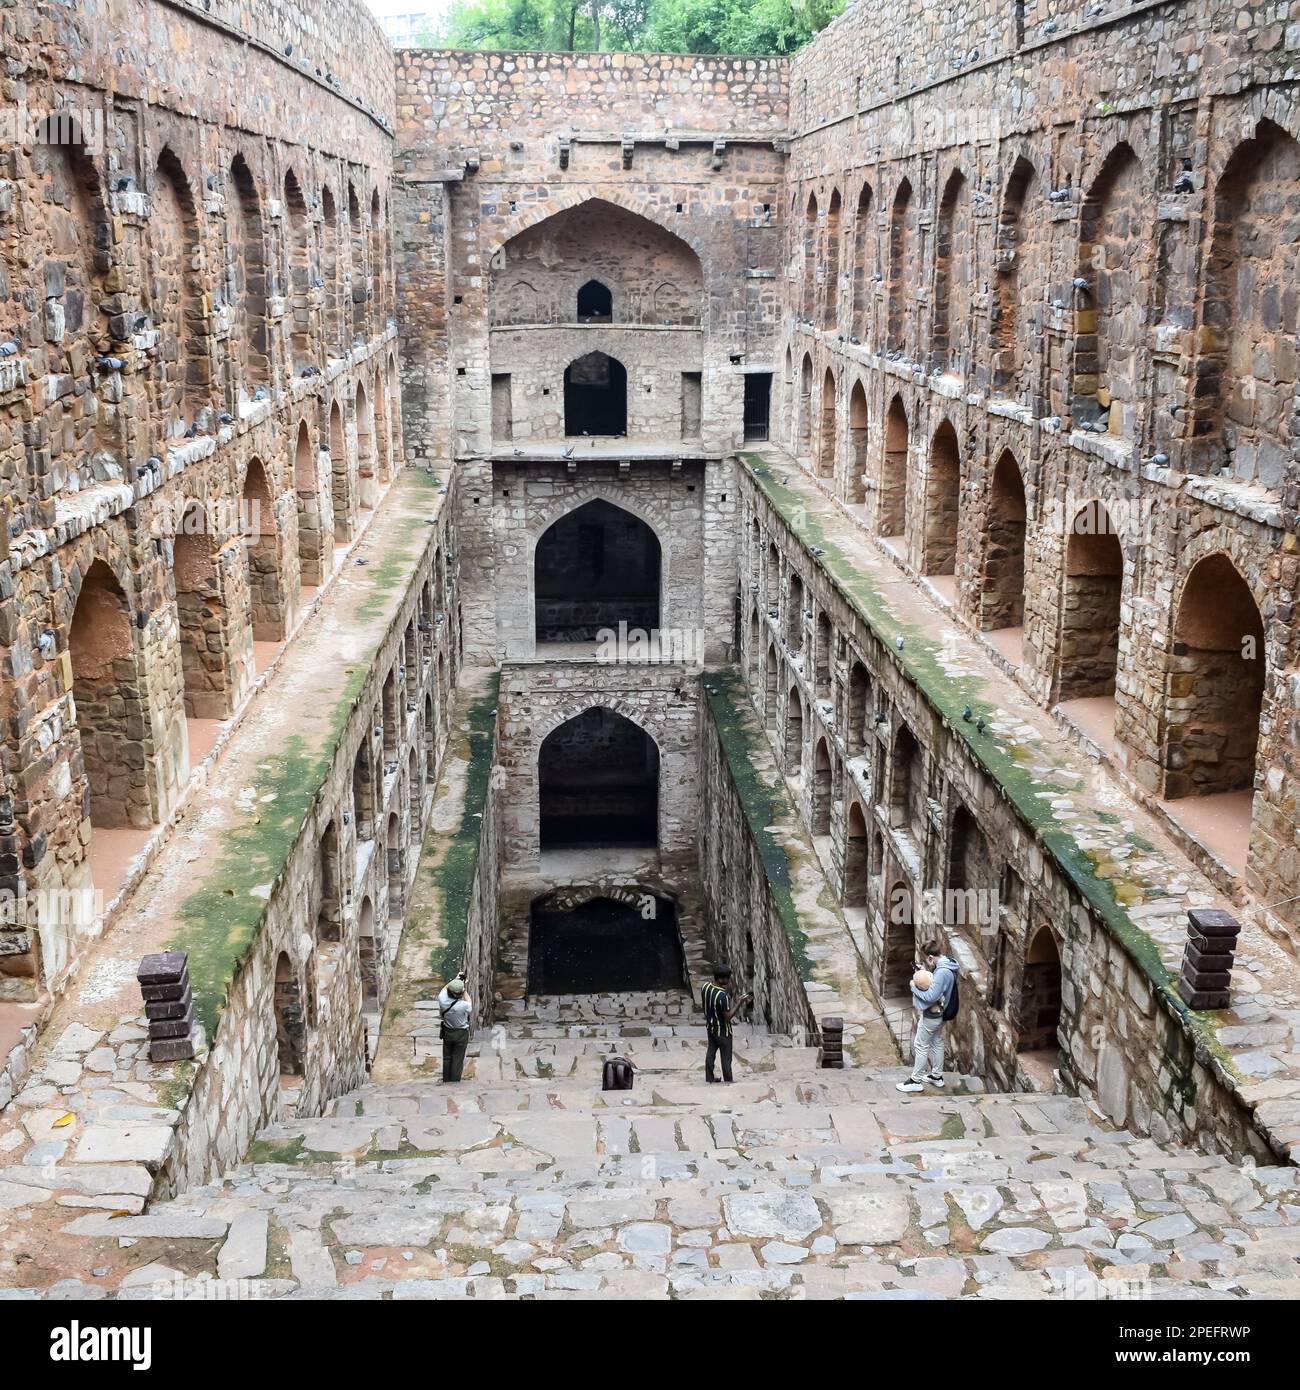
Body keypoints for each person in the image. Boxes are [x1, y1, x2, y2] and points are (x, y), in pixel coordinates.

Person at [896, 941, 959, 1093]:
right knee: (937, 1041)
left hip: (933, 1015)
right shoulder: (948, 963)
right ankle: (936, 1076)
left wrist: (913, 987)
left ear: (931, 957)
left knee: (920, 1044)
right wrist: (925, 971)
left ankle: (915, 1080)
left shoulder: (942, 972)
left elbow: (931, 996)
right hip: (942, 1012)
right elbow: (938, 985)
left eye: (927, 959)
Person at [701, 964, 750, 1084]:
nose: (729, 981)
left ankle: (709, 1078)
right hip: (723, 1032)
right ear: (721, 979)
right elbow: (728, 1016)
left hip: (710, 1027)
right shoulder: (723, 996)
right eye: (727, 978)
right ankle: (728, 1081)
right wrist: (739, 1002)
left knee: (711, 1052)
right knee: (726, 1059)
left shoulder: (705, 987)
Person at [438, 971, 472, 1083]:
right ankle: (455, 1082)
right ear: (460, 993)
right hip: (461, 1033)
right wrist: (463, 989)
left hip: (447, 1031)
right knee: (457, 1058)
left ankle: (446, 1080)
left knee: (447, 1057)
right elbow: (469, 1002)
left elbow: (446, 987)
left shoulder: (442, 998)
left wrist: (456, 979)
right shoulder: (463, 1005)